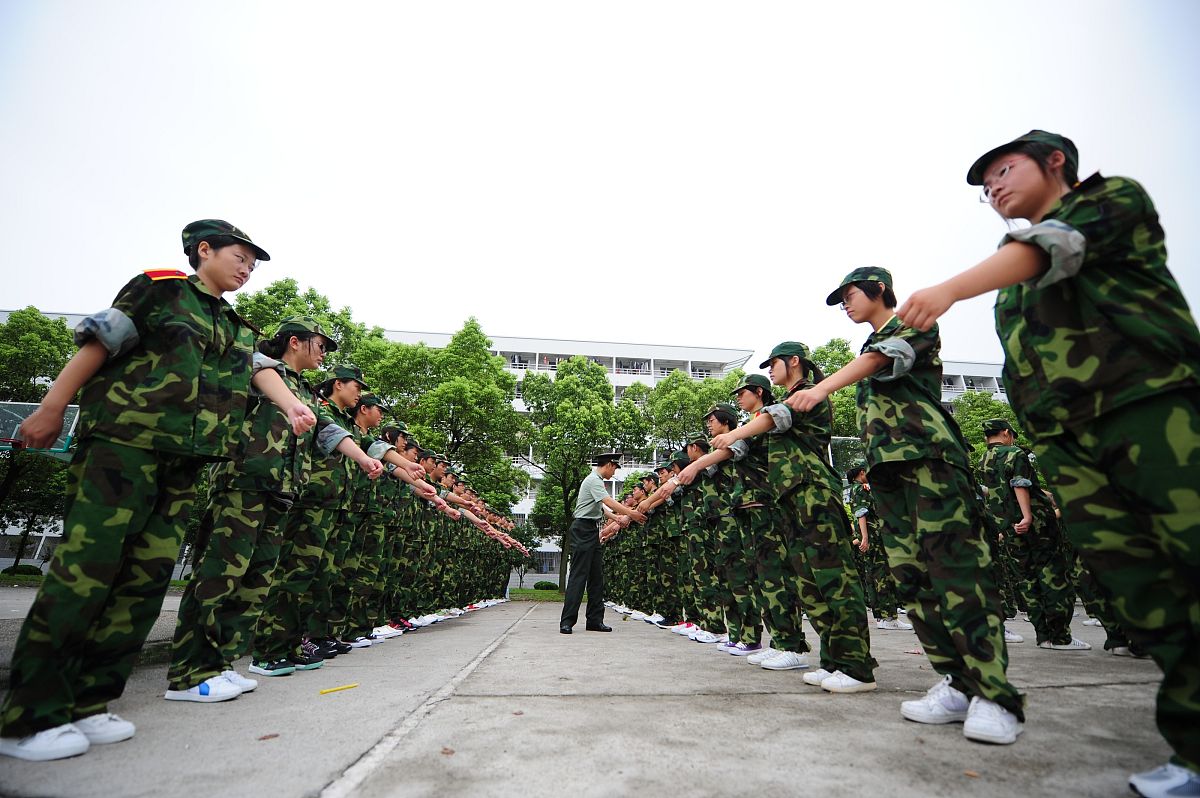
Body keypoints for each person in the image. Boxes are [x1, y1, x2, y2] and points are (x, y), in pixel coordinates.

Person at [898, 130, 1200, 794]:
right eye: (985, 188)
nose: (994, 189)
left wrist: (949, 289)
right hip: (1070, 445)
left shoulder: (1110, 201)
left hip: (1150, 412)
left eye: (1003, 171)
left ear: (1054, 162)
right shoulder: (1013, 284)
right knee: (1148, 594)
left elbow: (1051, 246)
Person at [0, 220, 309, 761]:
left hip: (186, 463)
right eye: (240, 256)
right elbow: (100, 342)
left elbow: (261, 372)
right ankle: (32, 714)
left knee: (143, 582)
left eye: (253, 263)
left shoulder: (239, 327)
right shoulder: (160, 288)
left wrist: (290, 403)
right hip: (125, 447)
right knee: (85, 571)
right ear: (204, 250)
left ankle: (90, 703)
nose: (247, 268)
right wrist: (53, 406)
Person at [788, 267, 1024, 744]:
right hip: (889, 475)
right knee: (913, 580)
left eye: (850, 295)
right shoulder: (866, 347)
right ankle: (958, 682)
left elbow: (883, 359)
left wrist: (820, 388)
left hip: (930, 463)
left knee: (956, 572)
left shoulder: (911, 326)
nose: (845, 305)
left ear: (878, 291)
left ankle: (994, 694)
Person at [560, 453, 645, 634]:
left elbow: (600, 508)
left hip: (591, 529)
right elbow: (608, 501)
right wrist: (631, 514)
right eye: (614, 468)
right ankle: (567, 621)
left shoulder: (596, 481)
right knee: (578, 575)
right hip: (582, 528)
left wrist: (616, 518)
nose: (614, 472)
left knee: (597, 577)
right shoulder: (593, 480)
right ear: (608, 465)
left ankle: (594, 620)